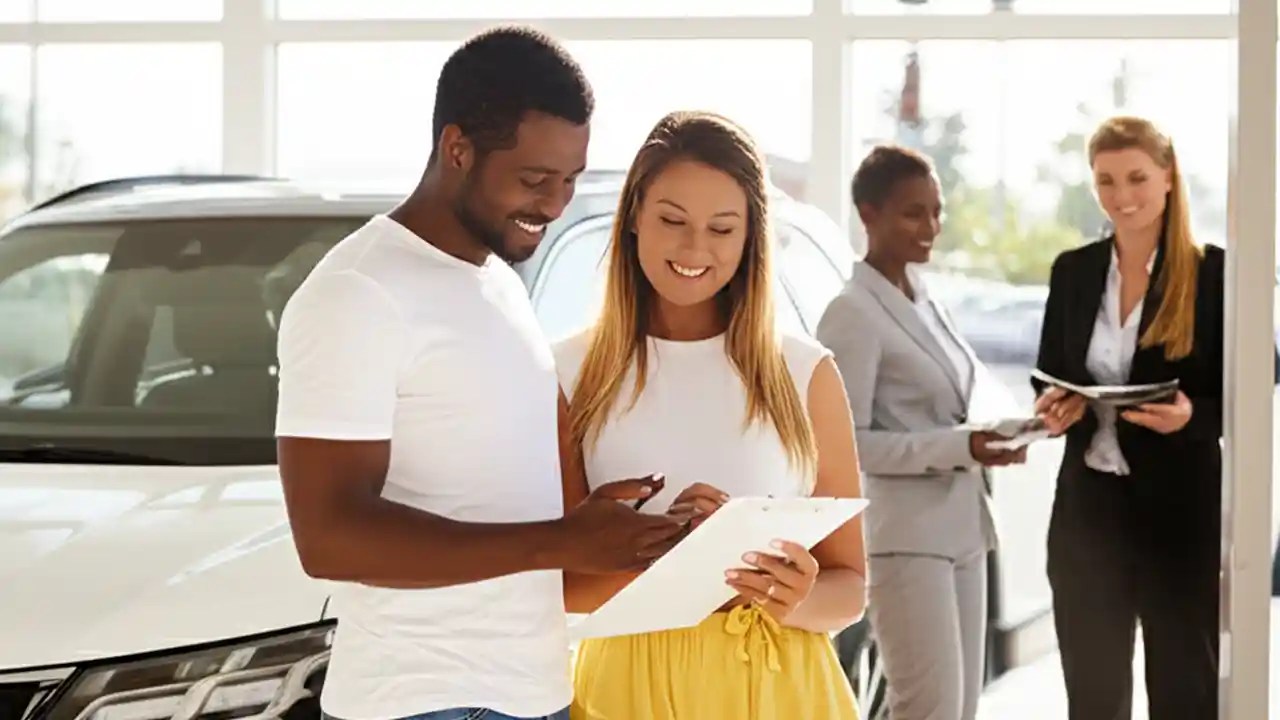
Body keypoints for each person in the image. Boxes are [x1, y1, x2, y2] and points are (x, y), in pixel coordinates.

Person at [273, 27, 688, 720]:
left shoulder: (497, 284)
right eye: (534, 179)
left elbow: (513, 510)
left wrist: (615, 528)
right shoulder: (357, 291)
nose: (556, 205)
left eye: (571, 180)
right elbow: (329, 536)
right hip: (423, 703)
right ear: (457, 149)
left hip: (532, 693)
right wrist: (559, 540)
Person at [554, 110, 868, 720]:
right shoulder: (568, 373)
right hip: (621, 691)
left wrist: (793, 595)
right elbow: (560, 586)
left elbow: (849, 587)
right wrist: (670, 550)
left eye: (722, 229)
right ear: (633, 221)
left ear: (751, 237)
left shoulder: (805, 373)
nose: (695, 248)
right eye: (672, 221)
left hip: (779, 693)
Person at [816, 145, 1026, 720]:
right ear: (868, 213)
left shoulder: (925, 299)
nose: (930, 227)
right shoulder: (852, 312)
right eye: (914, 213)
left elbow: (947, 408)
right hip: (905, 539)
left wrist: (1004, 432)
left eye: (937, 211)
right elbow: (847, 444)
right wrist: (963, 446)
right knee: (926, 707)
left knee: (960, 708)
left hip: (964, 528)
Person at [1032, 116, 1225, 720]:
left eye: (1137, 177)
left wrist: (1193, 417)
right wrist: (1053, 406)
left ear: (1169, 177)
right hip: (1088, 513)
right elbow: (1049, 370)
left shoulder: (1214, 274)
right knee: (1092, 700)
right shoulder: (1074, 271)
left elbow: (1255, 383)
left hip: (1176, 515)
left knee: (1183, 694)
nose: (1122, 196)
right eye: (1106, 180)